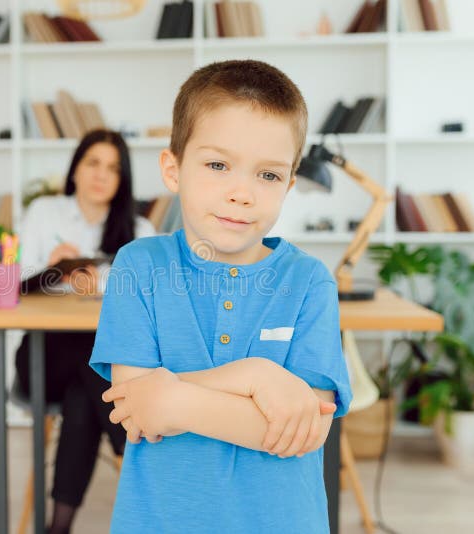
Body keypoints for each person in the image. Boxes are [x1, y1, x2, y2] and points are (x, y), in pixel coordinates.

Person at [89, 60, 353, 533]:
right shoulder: (139, 266)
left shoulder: (310, 281)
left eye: (268, 176)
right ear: (173, 169)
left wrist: (173, 397)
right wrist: (256, 377)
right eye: (217, 165)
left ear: (289, 185)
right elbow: (138, 412)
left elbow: (305, 432)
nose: (242, 193)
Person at [15, 128, 155, 534]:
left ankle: (57, 528)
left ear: (122, 179)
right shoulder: (45, 212)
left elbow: (147, 302)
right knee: (93, 362)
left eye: (113, 168)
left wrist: (102, 287)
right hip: (44, 360)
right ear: (75, 167)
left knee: (83, 398)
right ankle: (132, 449)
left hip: (96, 369)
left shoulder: (139, 230)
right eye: (93, 162)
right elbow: (9, 285)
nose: (101, 174)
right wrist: (50, 271)